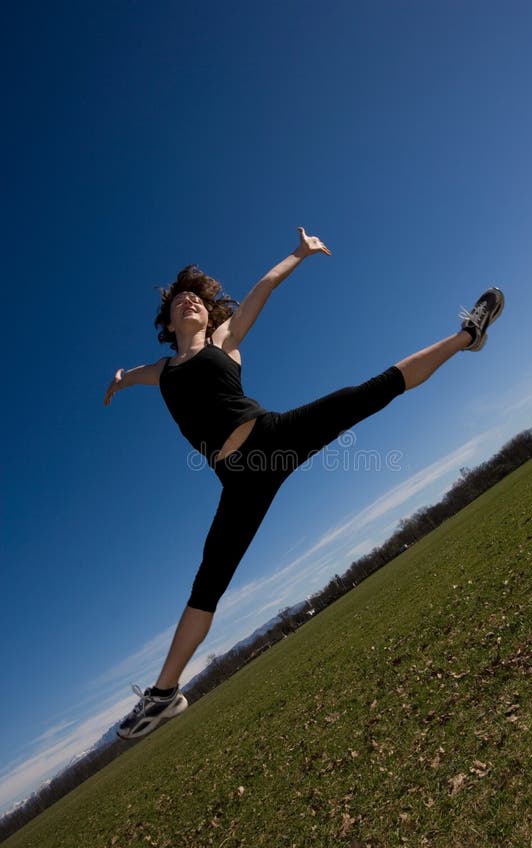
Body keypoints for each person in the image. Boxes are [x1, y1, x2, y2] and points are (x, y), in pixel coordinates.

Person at [105, 226, 504, 739]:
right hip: (239, 481)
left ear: (208, 312)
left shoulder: (225, 340)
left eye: (196, 298)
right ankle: (163, 695)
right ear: (167, 322)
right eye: (179, 300)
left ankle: (468, 335)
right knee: (207, 585)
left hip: (274, 437)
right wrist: (121, 379)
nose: (189, 301)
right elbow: (137, 374)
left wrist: (299, 252)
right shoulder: (162, 370)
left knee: (367, 393)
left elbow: (264, 287)